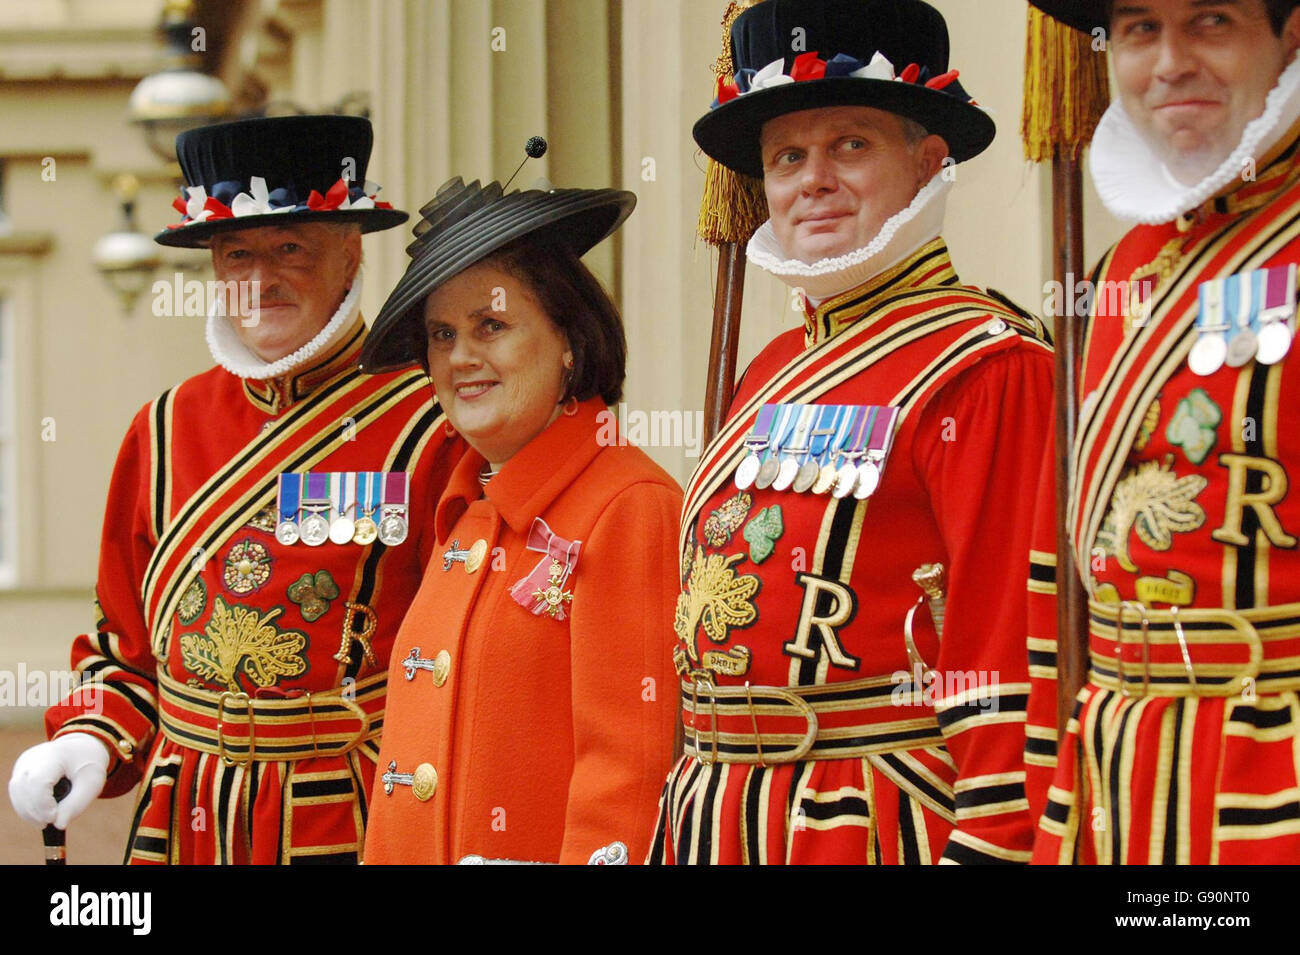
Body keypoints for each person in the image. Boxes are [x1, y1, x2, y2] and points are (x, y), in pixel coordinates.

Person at [647, 0, 1054, 865]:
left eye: (852, 145)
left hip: (870, 820)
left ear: (929, 160)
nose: (812, 179)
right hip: (718, 820)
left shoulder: (988, 366)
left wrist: (994, 848)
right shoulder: (766, 369)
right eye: (787, 155)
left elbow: (1007, 653)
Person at [7, 115, 463, 864]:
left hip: (347, 808)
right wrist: (89, 733)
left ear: (350, 254)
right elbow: (122, 648)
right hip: (185, 811)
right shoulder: (161, 427)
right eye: (237, 253)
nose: (261, 278)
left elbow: (463, 651)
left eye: (292, 247)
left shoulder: (431, 422)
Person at [1024, 0, 1300, 864]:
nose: (1170, 62)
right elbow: (1054, 585)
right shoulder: (1120, 271)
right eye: (1141, 29)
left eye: (1210, 21)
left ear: (1289, 34)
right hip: (1115, 787)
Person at [357, 175, 681, 864]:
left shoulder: (628, 504)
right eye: (442, 334)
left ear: (569, 337)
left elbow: (627, 777)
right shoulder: (466, 509)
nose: (460, 357)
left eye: (491, 325)